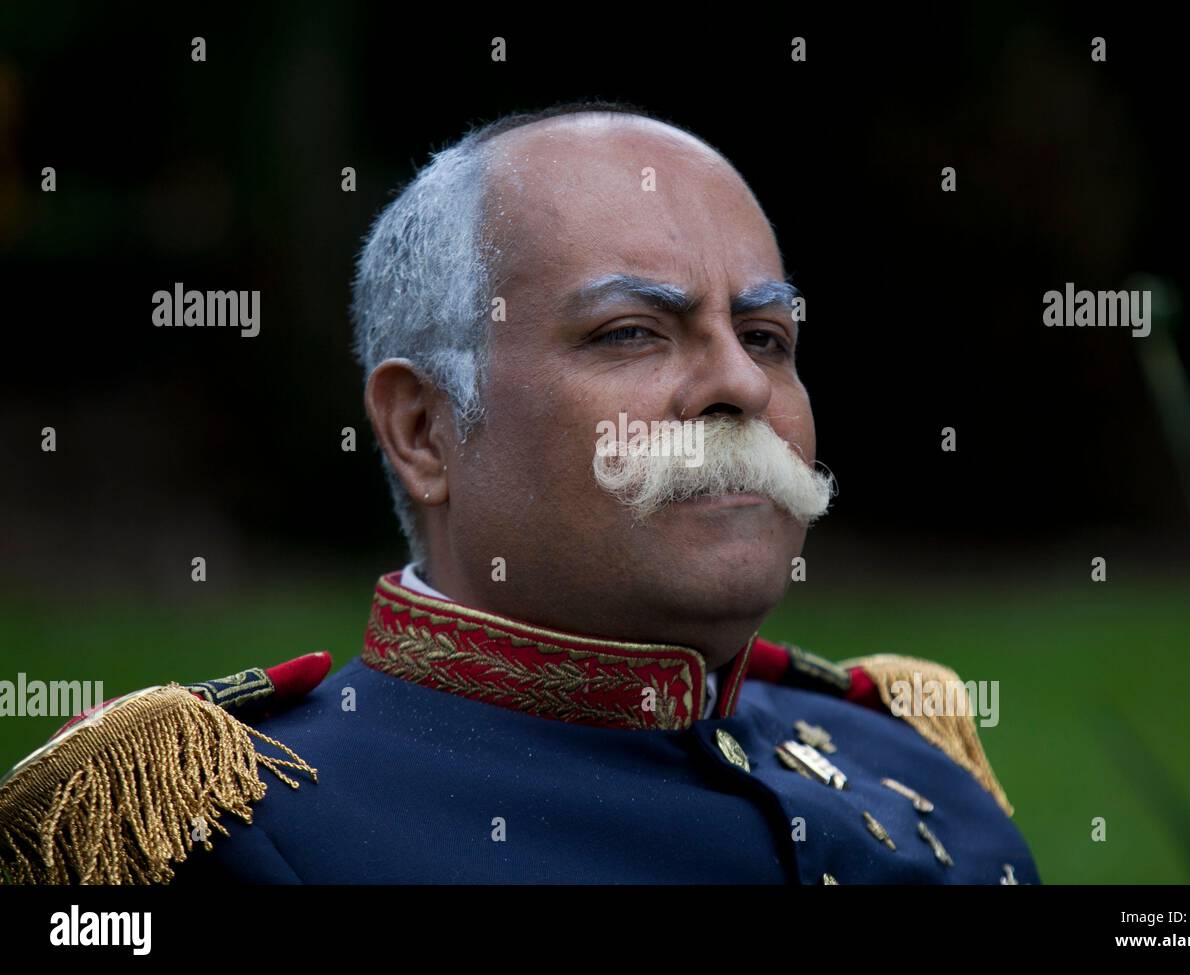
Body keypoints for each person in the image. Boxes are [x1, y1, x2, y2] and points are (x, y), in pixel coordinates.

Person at [0, 100, 1039, 885]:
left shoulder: (907, 760)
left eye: (766, 338)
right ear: (423, 429)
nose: (738, 384)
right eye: (630, 332)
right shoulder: (231, 834)